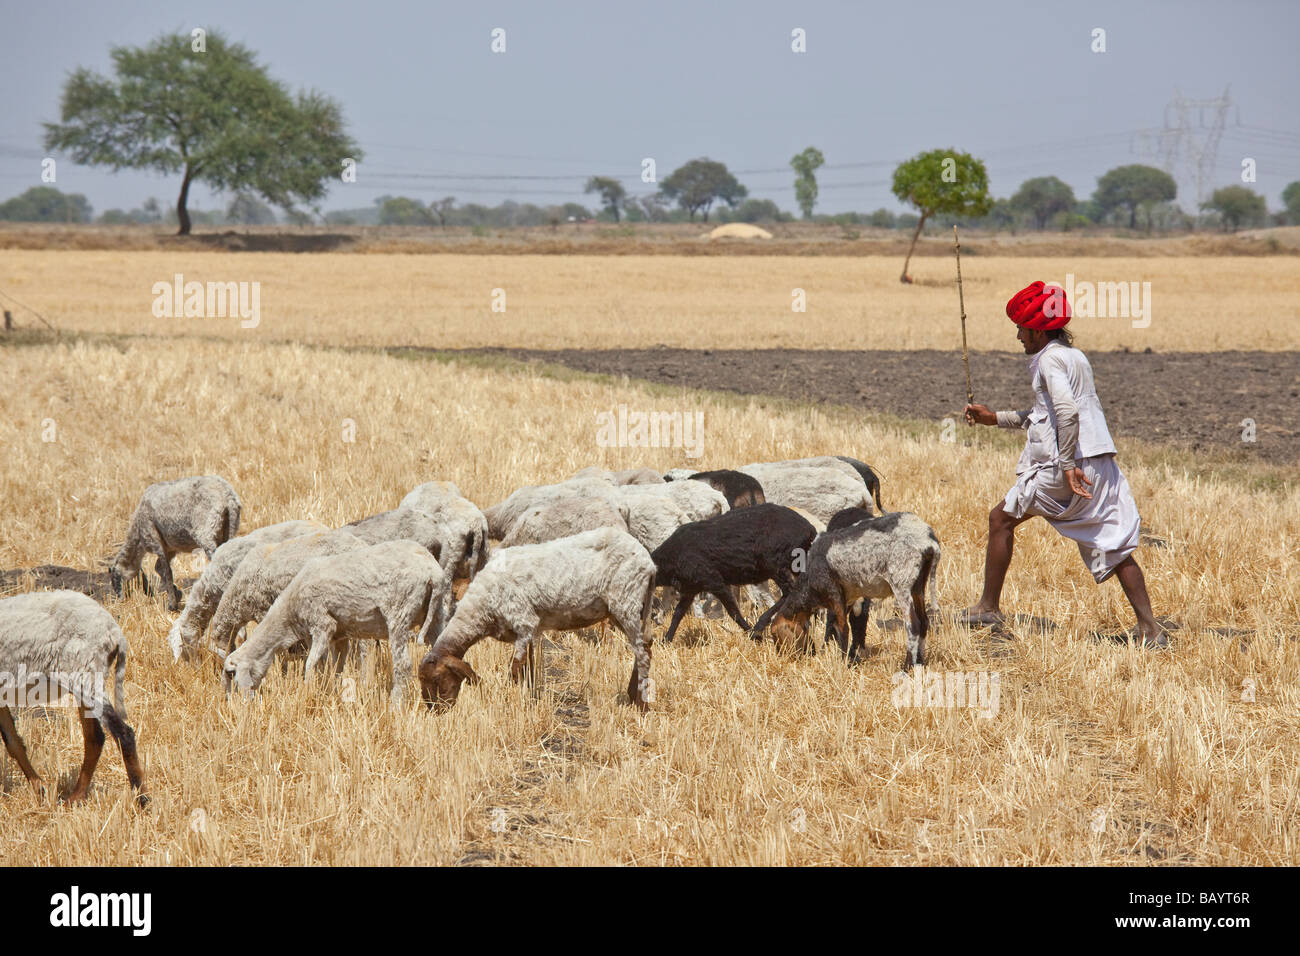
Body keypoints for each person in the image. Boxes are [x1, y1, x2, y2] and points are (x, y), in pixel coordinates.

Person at [961, 280, 1165, 646]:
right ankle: (1149, 628)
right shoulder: (1074, 357)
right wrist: (995, 418)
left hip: (1066, 465)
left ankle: (988, 607)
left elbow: (1067, 412)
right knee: (1114, 543)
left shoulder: (1049, 360)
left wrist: (1068, 464)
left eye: (1022, 329)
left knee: (1000, 518)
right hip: (1100, 462)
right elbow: (1048, 414)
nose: (1019, 337)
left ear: (1038, 330)